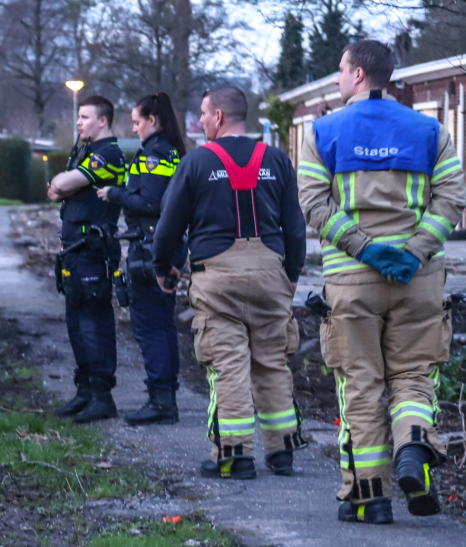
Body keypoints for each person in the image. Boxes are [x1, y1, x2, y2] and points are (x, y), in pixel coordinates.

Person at [298, 40, 466, 525]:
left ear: (357, 74)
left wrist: (365, 248)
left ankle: (369, 498)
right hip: (418, 279)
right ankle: (412, 448)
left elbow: (313, 202)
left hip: (352, 279)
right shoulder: (430, 130)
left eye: (340, 68)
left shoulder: (323, 131)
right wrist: (411, 253)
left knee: (361, 383)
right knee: (413, 375)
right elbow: (452, 198)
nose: (336, 77)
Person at [152, 86, 308, 479]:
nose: (200, 121)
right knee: (272, 362)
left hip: (217, 277)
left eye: (204, 114)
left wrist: (162, 265)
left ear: (219, 117)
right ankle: (282, 452)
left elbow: (168, 226)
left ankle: (235, 455)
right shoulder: (277, 159)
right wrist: (288, 276)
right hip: (271, 273)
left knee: (229, 364)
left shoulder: (196, 162)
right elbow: (295, 227)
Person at [97, 92, 185, 424]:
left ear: (152, 120)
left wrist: (114, 193)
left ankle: (161, 401)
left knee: (151, 327)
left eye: (137, 122)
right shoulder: (172, 152)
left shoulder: (155, 154)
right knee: (162, 325)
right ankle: (165, 397)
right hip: (164, 246)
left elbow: (151, 201)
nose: (134, 128)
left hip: (150, 249)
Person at [47, 95, 126, 422]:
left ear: (102, 121)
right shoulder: (85, 152)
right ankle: (84, 391)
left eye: (84, 117)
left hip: (92, 251)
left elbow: (61, 184)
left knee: (94, 322)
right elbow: (54, 191)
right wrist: (62, 185)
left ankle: (102, 396)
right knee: (76, 322)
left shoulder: (108, 154)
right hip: (75, 252)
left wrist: (64, 185)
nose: (78, 123)